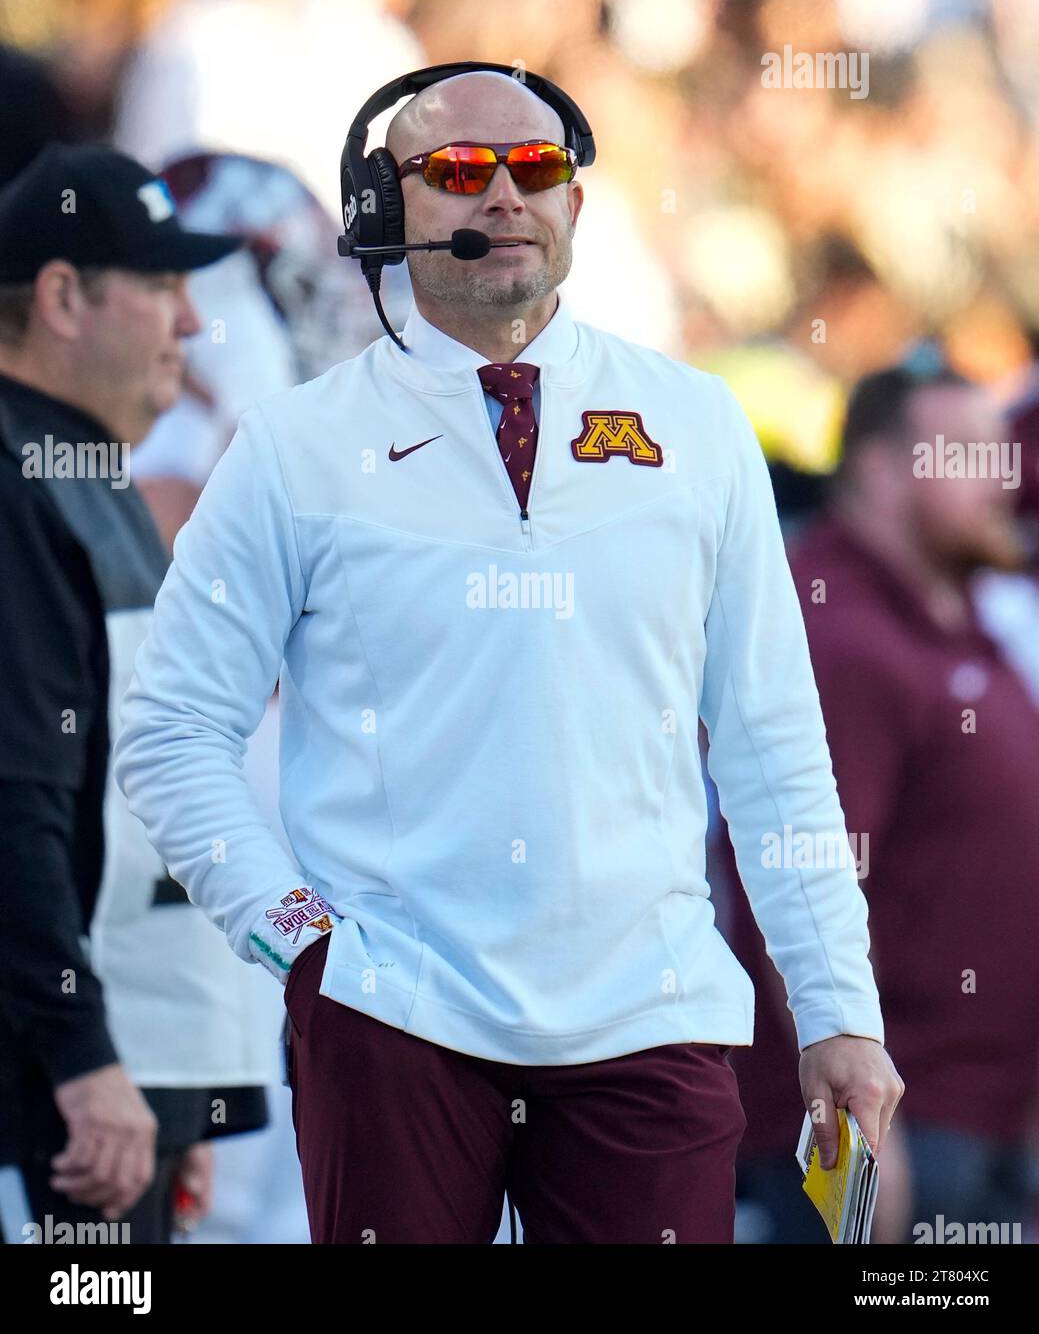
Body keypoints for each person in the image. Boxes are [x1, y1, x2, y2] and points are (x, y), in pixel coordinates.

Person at [113, 66, 902, 1245]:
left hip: (653, 1011)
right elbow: (171, 727)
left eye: (535, 169)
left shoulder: (697, 424)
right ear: (385, 208)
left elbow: (773, 743)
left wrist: (837, 1004)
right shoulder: (295, 445)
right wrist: (296, 944)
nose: (503, 196)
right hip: (391, 1013)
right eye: (458, 171)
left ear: (577, 206)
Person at [0, 144, 269, 1244]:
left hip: (126, 1071)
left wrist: (176, 1084)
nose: (190, 322)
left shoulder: (83, 473)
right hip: (70, 1092)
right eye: (159, 286)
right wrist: (84, 1058)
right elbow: (14, 795)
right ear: (63, 296)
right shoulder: (20, 485)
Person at [775, 365, 1039, 1240]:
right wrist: (857, 1168)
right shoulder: (844, 639)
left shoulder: (950, 617)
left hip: (982, 1126)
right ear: (885, 472)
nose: (1004, 481)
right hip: (904, 1138)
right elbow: (801, 897)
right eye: (971, 457)